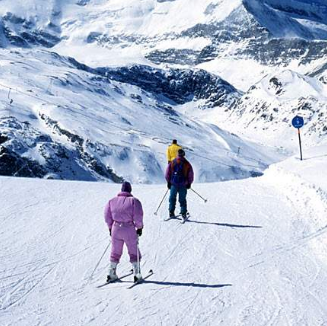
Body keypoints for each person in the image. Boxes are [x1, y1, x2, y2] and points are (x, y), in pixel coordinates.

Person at [104, 181, 144, 282]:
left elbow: (107, 215)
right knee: (133, 249)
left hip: (115, 228)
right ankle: (137, 273)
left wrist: (110, 227)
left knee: (115, 250)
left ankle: (111, 272)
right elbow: (138, 216)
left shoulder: (111, 201)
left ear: (121, 190)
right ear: (130, 190)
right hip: (129, 228)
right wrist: (139, 228)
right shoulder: (134, 201)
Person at [165, 149, 194, 219]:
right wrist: (189, 183)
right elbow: (190, 174)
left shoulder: (172, 162)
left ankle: (171, 212)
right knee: (182, 199)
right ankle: (183, 213)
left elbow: (167, 173)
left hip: (173, 184)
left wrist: (168, 182)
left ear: (177, 154)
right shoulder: (187, 163)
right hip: (183, 185)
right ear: (183, 154)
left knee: (172, 198)